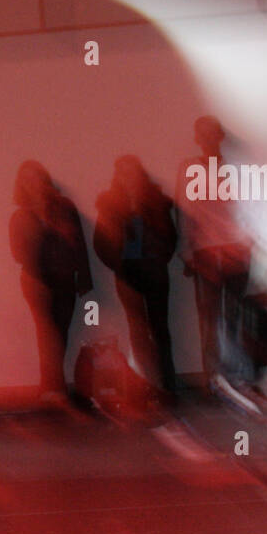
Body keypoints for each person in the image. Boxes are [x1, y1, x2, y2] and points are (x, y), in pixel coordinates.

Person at [177, 116, 254, 398]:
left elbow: (250, 210)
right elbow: (186, 212)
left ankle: (237, 376)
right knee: (209, 319)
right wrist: (190, 254)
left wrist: (245, 249)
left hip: (236, 254)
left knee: (234, 317)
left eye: (213, 134)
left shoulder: (238, 170)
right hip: (207, 255)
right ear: (198, 138)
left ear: (220, 136)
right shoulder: (191, 169)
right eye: (203, 134)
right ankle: (214, 380)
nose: (208, 139)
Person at [93, 157, 179, 403]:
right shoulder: (110, 204)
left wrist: (160, 259)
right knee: (138, 332)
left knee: (160, 330)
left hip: (154, 271)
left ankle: (167, 386)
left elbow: (171, 236)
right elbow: (100, 242)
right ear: (117, 176)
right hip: (127, 274)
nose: (128, 177)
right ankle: (148, 385)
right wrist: (118, 265)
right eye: (123, 173)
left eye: (132, 172)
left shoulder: (155, 200)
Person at [9, 161, 92, 407]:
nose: (31, 183)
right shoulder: (21, 215)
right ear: (20, 184)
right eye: (25, 179)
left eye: (35, 177)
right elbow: (17, 253)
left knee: (60, 333)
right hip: (36, 282)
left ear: (44, 178)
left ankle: (50, 386)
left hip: (64, 278)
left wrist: (84, 277)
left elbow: (80, 243)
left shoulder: (64, 207)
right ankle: (54, 388)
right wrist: (44, 235)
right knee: (47, 335)